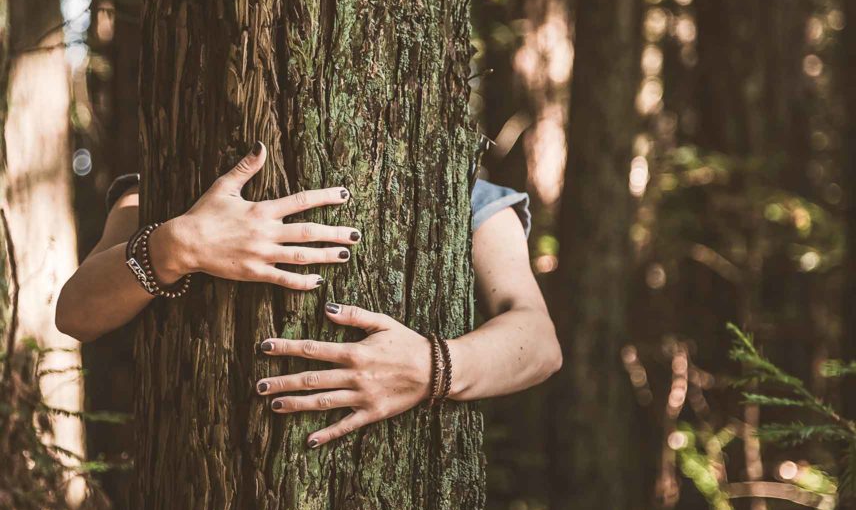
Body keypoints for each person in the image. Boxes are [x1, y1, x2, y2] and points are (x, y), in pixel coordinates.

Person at [56, 141, 561, 447]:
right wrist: (178, 244)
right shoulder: (167, 180)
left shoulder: (463, 193)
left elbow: (538, 341)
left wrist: (432, 367)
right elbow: (77, 312)